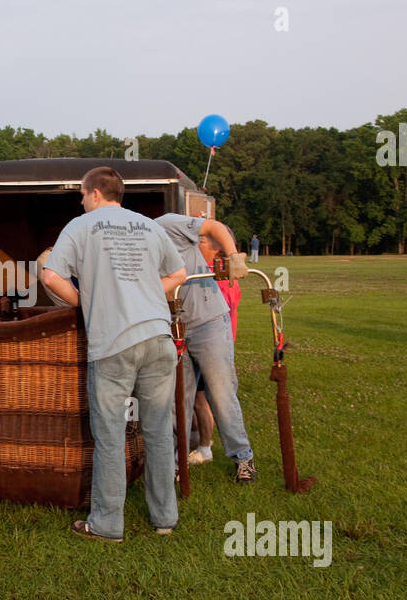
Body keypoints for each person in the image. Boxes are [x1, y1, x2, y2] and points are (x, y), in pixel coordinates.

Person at [43, 167, 186, 542]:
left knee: (109, 435)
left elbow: (50, 275)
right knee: (157, 432)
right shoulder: (150, 226)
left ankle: (107, 524)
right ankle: (165, 518)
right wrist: (145, 294)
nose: (80, 200)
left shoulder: (80, 226)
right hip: (158, 335)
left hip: (113, 344)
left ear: (93, 194)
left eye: (81, 193)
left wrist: (87, 305)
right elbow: (180, 274)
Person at [156, 214, 257, 483]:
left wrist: (234, 256)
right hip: (173, 328)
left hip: (209, 321)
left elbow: (215, 226)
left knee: (221, 394)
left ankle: (243, 457)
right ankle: (177, 462)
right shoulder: (130, 250)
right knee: (179, 398)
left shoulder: (166, 225)